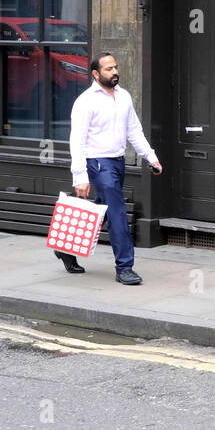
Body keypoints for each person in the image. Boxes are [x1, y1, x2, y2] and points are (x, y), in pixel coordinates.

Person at [57, 52, 162, 284]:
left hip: (118, 162)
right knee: (117, 213)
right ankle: (124, 267)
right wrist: (80, 176)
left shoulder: (123, 96)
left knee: (103, 211)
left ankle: (65, 247)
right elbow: (78, 140)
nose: (115, 72)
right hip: (97, 163)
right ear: (96, 74)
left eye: (115, 67)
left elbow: (134, 130)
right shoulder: (85, 101)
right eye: (108, 69)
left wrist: (150, 157)